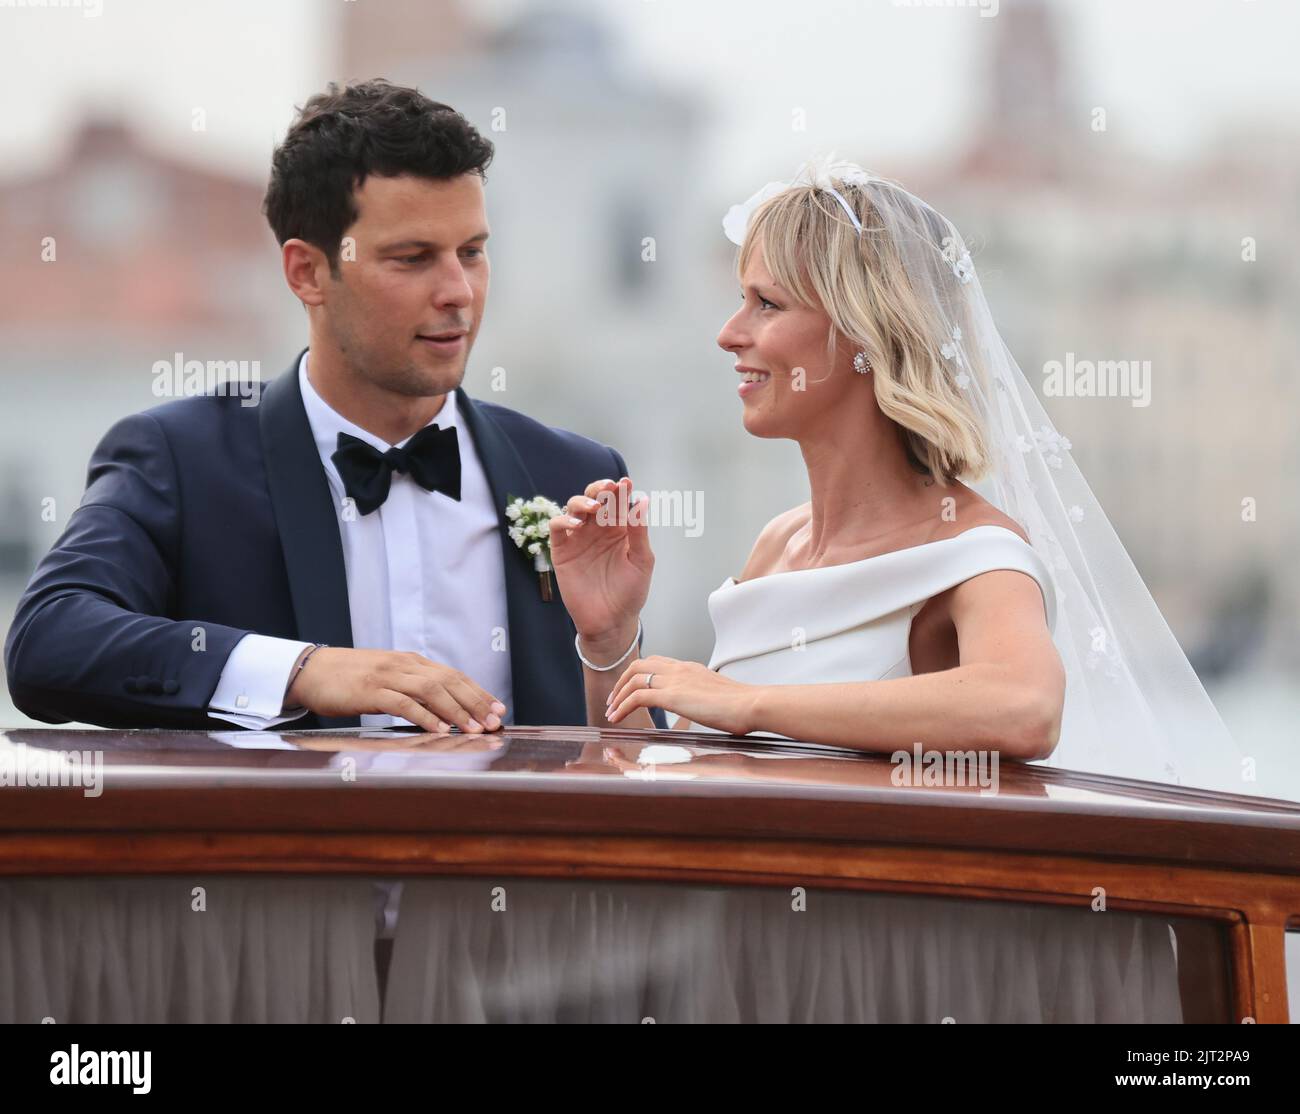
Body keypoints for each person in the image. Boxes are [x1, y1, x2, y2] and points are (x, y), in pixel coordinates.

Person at [549, 161, 1245, 794]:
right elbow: (666, 786)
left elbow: (1026, 708)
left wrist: (749, 705)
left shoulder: (976, 553)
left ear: (862, 334)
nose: (729, 333)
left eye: (766, 304)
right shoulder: (776, 546)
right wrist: (610, 641)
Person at [5, 79, 660, 734]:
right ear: (307, 273)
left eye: (472, 253)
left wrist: (609, 651)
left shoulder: (570, 471)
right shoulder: (180, 459)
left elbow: (637, 778)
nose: (458, 292)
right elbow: (49, 641)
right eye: (413, 258)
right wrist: (303, 672)